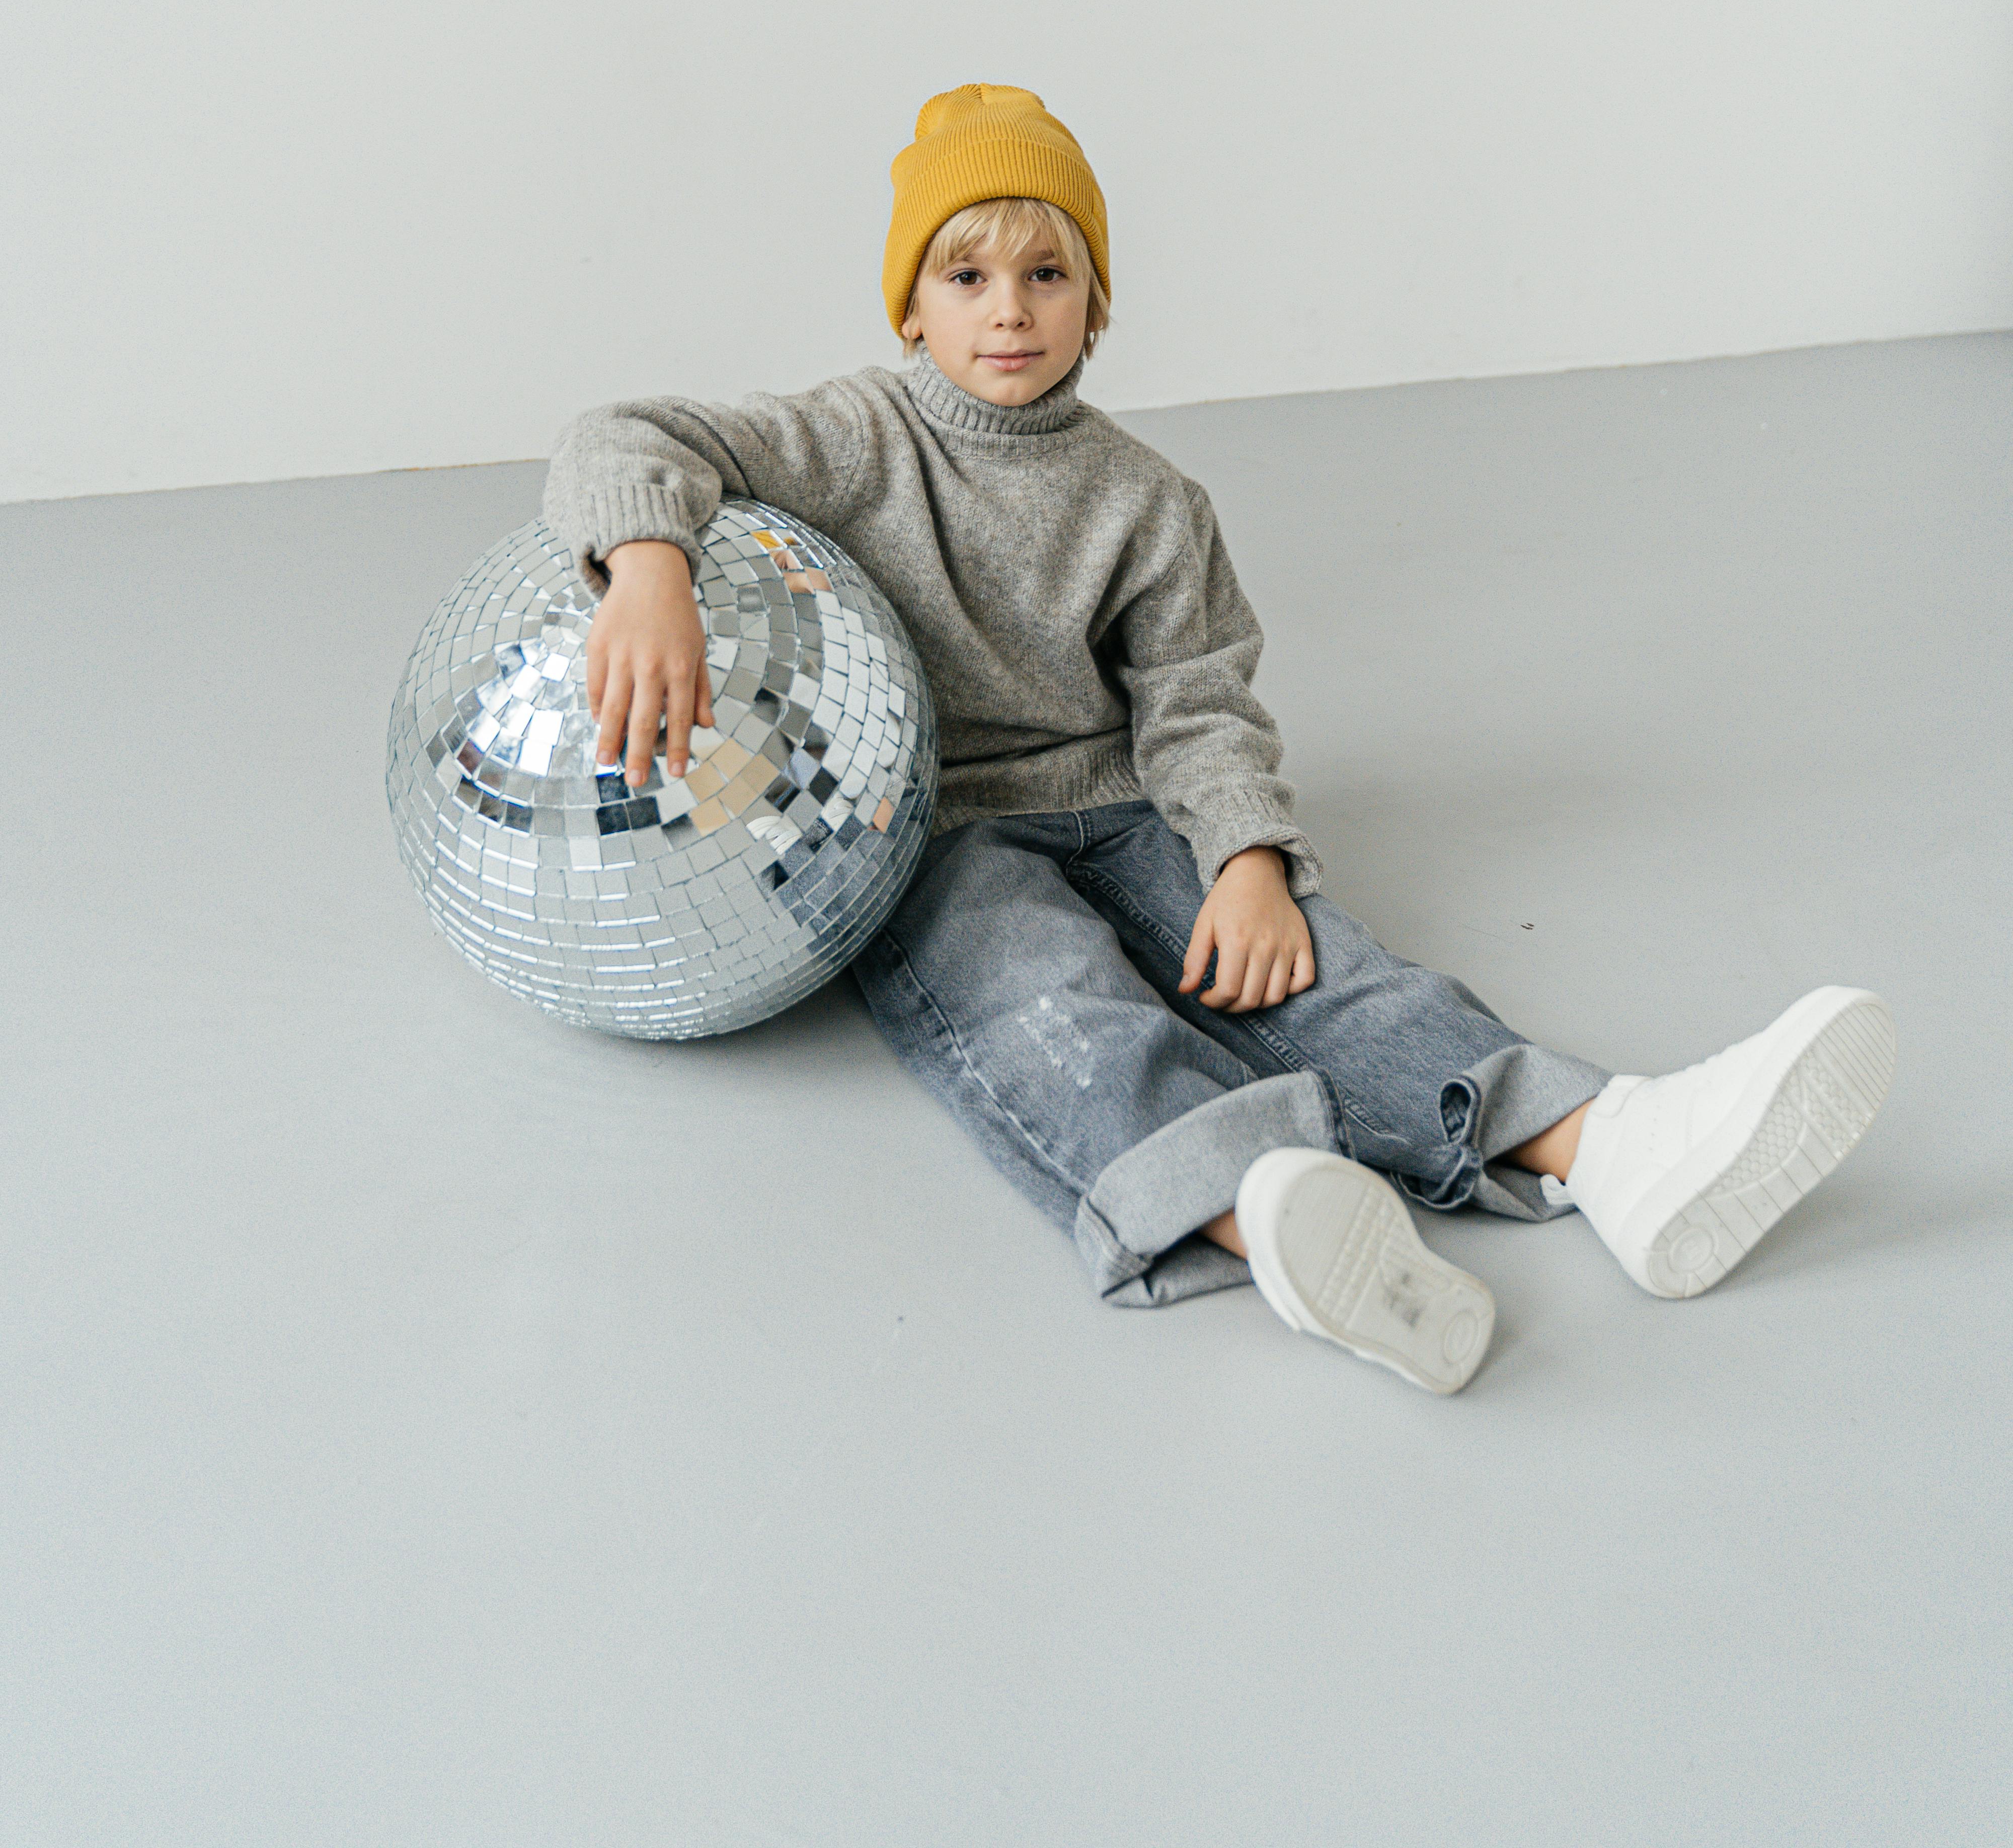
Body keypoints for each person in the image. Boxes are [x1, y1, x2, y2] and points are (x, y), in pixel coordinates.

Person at [543, 84, 1893, 1395]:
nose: (1008, 309)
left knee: (1325, 977)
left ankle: (1614, 1145)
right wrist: (652, 564)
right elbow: (623, 431)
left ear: (1097, 302)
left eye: (1046, 275)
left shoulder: (1147, 498)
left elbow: (1196, 698)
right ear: (910, 305)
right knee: (1049, 1007)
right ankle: (1273, 1214)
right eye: (964, 278)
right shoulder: (854, 438)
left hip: (1120, 800)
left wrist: (1247, 855)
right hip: (934, 826)